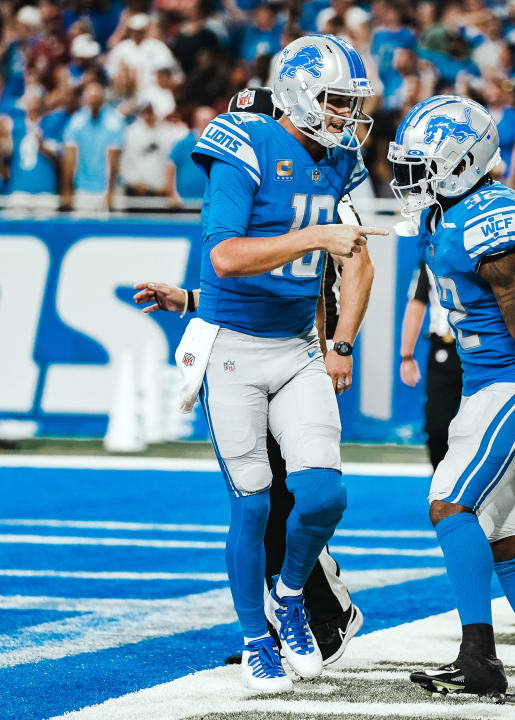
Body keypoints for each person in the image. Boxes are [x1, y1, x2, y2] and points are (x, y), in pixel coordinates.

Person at [138, 36, 381, 692]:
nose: (345, 116)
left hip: (298, 344)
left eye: (349, 104)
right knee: (252, 505)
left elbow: (357, 260)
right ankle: (256, 640)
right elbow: (225, 257)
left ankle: (291, 597)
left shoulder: (337, 161)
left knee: (324, 494)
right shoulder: (244, 141)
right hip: (237, 351)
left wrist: (341, 342)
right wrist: (313, 237)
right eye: (335, 101)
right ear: (298, 93)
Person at [389, 95, 515, 705]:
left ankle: (477, 656)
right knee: (505, 542)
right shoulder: (447, 211)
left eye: (421, 165)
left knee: (450, 504)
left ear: (461, 162)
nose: (409, 179)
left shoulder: (491, 219)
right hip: (487, 382)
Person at [398, 263, 461, 469]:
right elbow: (417, 302)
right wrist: (406, 356)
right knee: (437, 429)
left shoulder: (484, 247)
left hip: (482, 348)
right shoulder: (430, 257)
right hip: (444, 348)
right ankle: (442, 487)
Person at [60, 80, 124, 211]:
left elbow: (113, 160)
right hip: (83, 189)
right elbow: (69, 158)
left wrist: (110, 192)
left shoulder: (114, 121)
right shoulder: (76, 121)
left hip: (106, 189)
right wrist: (68, 190)